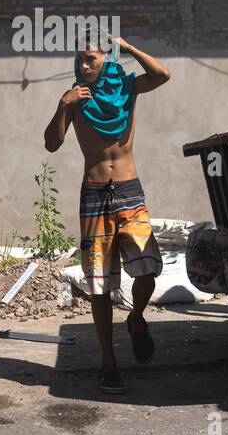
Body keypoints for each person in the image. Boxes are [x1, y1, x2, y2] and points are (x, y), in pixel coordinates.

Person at [43, 35, 171, 394]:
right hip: (95, 195)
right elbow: (52, 144)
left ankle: (135, 318)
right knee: (99, 283)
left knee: (148, 268)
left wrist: (130, 47)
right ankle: (109, 363)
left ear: (106, 61)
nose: (84, 67)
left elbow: (162, 75)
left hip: (130, 190)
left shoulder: (126, 88)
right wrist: (62, 105)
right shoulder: (75, 98)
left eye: (91, 60)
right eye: (80, 61)